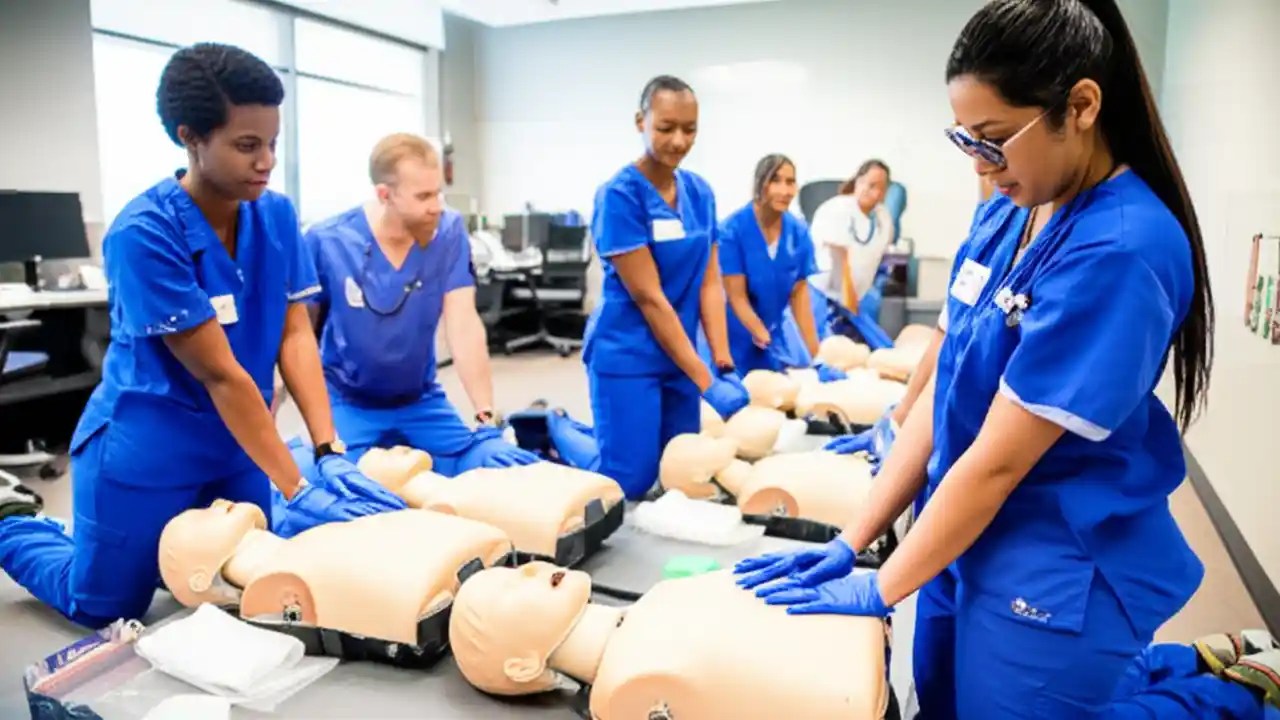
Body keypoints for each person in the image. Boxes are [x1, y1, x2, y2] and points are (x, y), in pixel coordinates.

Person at [736, 1, 1228, 717]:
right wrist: (856, 539)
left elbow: (999, 461)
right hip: (961, 519)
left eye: (994, 139)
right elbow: (949, 387)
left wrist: (880, 585)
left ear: (1082, 106)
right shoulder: (1010, 206)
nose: (979, 163)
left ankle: (1230, 690)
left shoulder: (1120, 250)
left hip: (1056, 553)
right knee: (936, 697)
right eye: (965, 138)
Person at [0, 43, 402, 628]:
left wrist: (326, 450)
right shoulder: (144, 232)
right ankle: (13, 519)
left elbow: (294, 336)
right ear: (191, 137)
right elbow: (220, 373)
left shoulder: (277, 214)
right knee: (104, 606)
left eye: (271, 143)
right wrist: (294, 486)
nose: (265, 160)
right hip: (147, 447)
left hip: (237, 443)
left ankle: (97, 537)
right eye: (246, 145)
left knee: (243, 587)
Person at [302, 133, 537, 475]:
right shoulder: (327, 241)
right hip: (347, 402)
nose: (437, 205)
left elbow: (463, 324)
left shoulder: (449, 231)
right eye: (424, 195)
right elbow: (299, 338)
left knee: (492, 466)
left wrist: (485, 415)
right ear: (385, 195)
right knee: (336, 483)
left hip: (420, 400)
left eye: (439, 192)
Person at [583, 75, 750, 501]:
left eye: (689, 129)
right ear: (641, 121)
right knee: (630, 481)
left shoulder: (700, 192)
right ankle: (555, 431)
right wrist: (705, 381)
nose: (679, 140)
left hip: (680, 353)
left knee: (680, 470)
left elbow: (710, 281)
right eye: (666, 127)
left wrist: (722, 359)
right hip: (627, 351)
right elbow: (650, 298)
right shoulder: (620, 196)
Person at [714, 154, 833, 378]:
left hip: (770, 336)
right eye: (775, 181)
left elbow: (799, 297)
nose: (785, 190)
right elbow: (736, 296)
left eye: (790, 182)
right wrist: (760, 333)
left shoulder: (798, 232)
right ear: (760, 184)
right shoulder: (732, 230)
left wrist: (816, 356)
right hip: (733, 337)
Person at [809, 159, 896, 323]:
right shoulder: (836, 210)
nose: (874, 192)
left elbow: (878, 258)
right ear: (858, 181)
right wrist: (850, 307)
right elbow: (839, 261)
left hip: (857, 298)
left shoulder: (883, 218)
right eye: (869, 184)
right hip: (825, 297)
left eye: (880, 188)